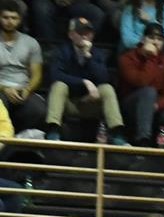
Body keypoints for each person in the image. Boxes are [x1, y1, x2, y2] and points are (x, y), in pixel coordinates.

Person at [45, 15, 125, 142]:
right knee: (59, 86)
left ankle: (117, 134)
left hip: (90, 103)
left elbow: (104, 78)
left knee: (107, 88)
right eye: (80, 32)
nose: (84, 35)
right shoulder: (62, 51)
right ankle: (53, 131)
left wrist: (89, 57)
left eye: (88, 32)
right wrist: (84, 82)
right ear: (71, 35)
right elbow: (55, 75)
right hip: (68, 103)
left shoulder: (97, 54)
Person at [117, 21, 164, 147]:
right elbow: (141, 82)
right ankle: (143, 140)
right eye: (151, 38)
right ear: (143, 39)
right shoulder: (127, 58)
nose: (155, 42)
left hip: (153, 107)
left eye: (159, 39)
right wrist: (150, 58)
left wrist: (156, 106)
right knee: (149, 91)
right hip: (129, 106)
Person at [0, 0, 46, 134]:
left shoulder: (31, 42)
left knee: (39, 110)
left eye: (14, 18)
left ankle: (20, 140)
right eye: (6, 17)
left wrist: (28, 89)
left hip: (23, 88)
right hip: (1, 88)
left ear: (20, 20)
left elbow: (37, 74)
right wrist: (4, 88)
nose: (9, 21)